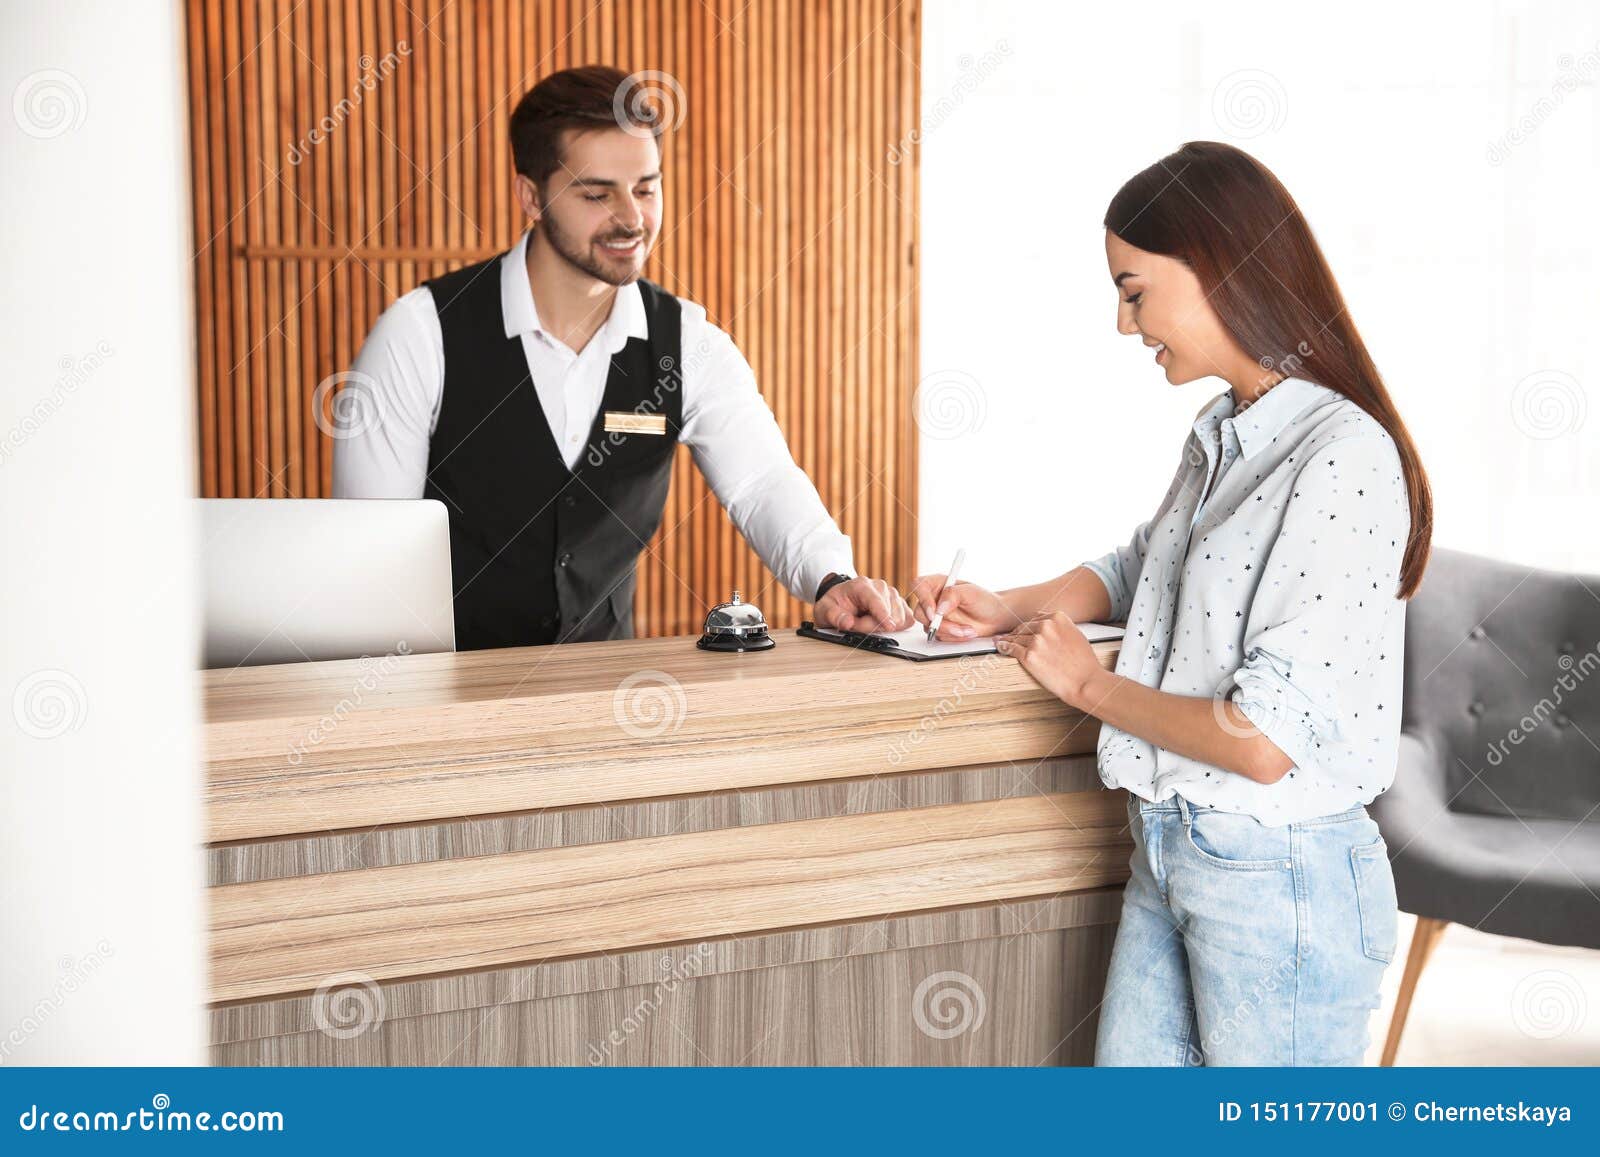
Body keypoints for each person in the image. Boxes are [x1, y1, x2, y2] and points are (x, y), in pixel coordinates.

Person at [912, 141, 1431, 1066]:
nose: (1123, 321)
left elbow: (1263, 743)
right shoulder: (1225, 434)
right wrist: (1004, 607)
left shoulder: (1342, 456)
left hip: (1282, 875)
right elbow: (1144, 561)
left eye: (1134, 289)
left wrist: (1088, 686)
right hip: (1172, 846)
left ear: (1217, 267)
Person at [334, 65, 910, 648]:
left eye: (646, 188)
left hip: (613, 699)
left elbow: (761, 481)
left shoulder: (686, 341)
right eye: (597, 193)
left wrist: (831, 578)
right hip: (444, 699)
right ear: (531, 196)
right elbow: (375, 556)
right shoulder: (421, 333)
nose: (632, 219)